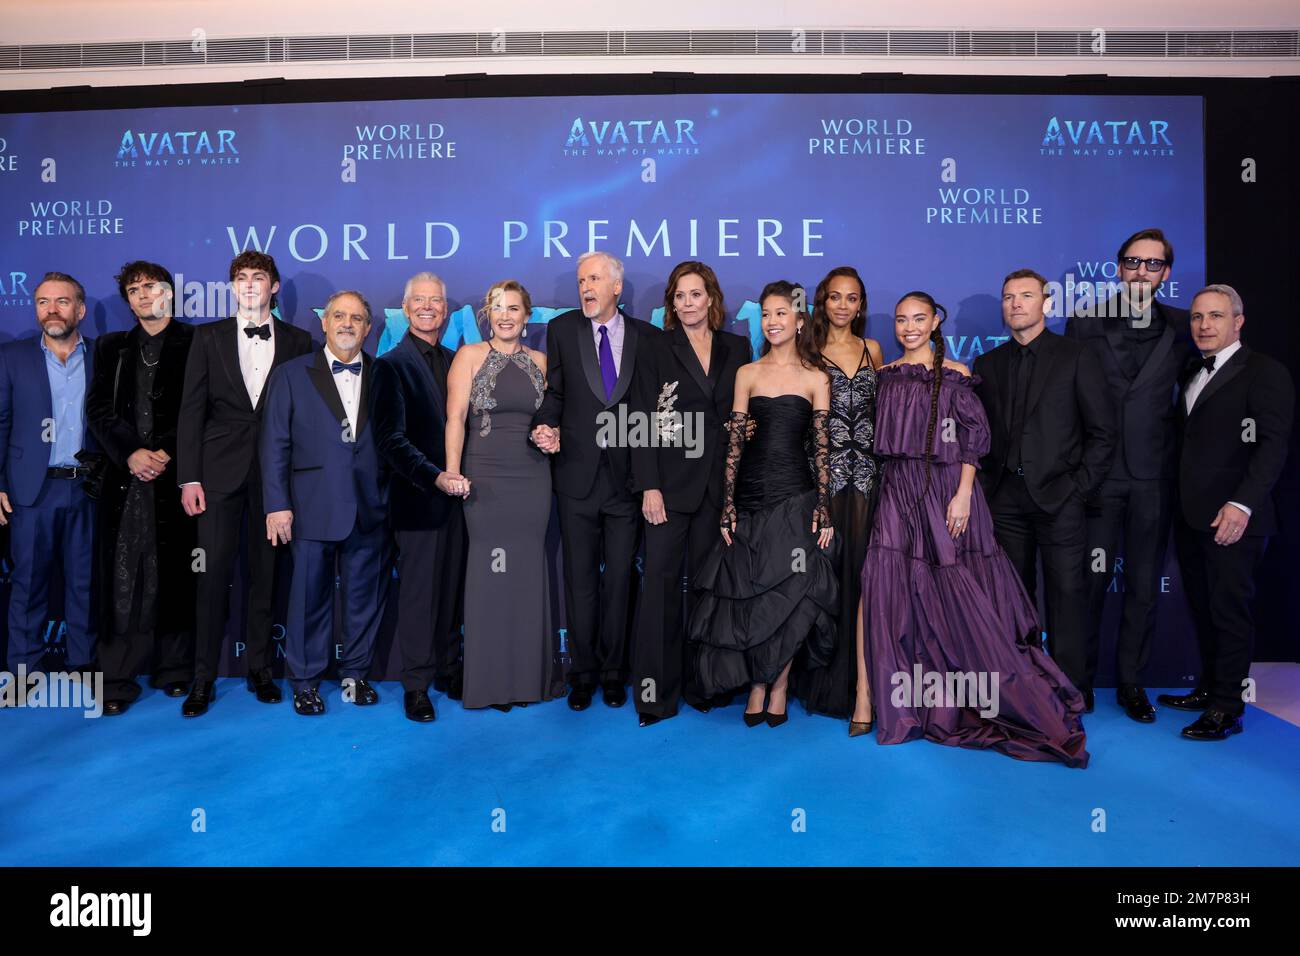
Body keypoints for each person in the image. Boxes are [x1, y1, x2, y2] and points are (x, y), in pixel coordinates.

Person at [861, 291, 1088, 767]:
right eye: (901, 320)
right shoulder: (883, 377)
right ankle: (908, 706)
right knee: (895, 594)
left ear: (935, 321)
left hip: (948, 491)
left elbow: (972, 441)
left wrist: (963, 494)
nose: (908, 327)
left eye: (918, 318)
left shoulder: (957, 375)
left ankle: (982, 696)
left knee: (954, 597)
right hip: (897, 493)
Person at [686, 280, 837, 728]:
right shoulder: (747, 374)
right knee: (751, 593)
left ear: (800, 320)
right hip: (750, 496)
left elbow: (822, 449)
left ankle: (781, 683)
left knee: (792, 593)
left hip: (795, 495)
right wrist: (728, 505)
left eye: (781, 314)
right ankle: (757, 683)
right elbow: (734, 445)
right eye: (766, 314)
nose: (772, 322)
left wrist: (824, 507)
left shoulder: (816, 378)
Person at [177, 250, 314, 717]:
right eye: (241, 278)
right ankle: (203, 677)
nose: (250, 284)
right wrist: (189, 477)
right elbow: (191, 410)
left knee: (266, 576)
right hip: (216, 476)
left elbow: (305, 415)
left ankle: (260, 669)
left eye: (259, 277)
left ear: (274, 287)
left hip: (276, 479)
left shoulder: (299, 340)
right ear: (233, 288)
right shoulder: (208, 336)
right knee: (211, 578)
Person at [1066, 228, 1193, 723]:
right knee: (1090, 582)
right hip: (1097, 479)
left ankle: (1132, 684)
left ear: (1165, 273)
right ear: (1118, 266)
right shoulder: (1082, 324)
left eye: (1153, 264)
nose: (1142, 271)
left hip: (1152, 480)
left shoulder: (1185, 327)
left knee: (1143, 584)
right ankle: (1081, 681)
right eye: (1134, 262)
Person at [973, 269, 1115, 710]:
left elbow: (1103, 432)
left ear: (1046, 304)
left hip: (1060, 497)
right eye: (1008, 296)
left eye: (1026, 295)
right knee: (1013, 599)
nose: (1015, 303)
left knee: (1068, 595)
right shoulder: (988, 364)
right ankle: (1023, 685)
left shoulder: (1076, 356)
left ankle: (1073, 689)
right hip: (1004, 499)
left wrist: (1078, 487)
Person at [1163, 285, 1294, 740]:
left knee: (1229, 613)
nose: (1204, 325)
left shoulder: (1264, 372)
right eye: (1198, 317)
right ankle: (1209, 688)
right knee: (1204, 608)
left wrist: (1242, 504)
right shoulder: (1189, 369)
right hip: (1192, 515)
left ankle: (1226, 708)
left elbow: (1271, 447)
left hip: (1235, 518)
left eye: (1216, 316)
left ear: (1238, 322)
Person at [530, 251, 659, 711]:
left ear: (616, 288)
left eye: (594, 279)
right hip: (576, 479)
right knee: (580, 581)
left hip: (625, 482)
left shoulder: (646, 337)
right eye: (581, 279)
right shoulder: (563, 330)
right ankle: (581, 673)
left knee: (621, 580)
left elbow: (649, 411)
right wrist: (545, 425)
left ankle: (613, 672)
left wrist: (647, 482)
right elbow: (556, 393)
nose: (586, 287)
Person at [629, 261, 750, 727]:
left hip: (718, 491)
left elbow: (743, 417)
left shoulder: (737, 348)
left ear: (711, 299)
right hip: (668, 488)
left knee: (707, 593)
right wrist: (649, 487)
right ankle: (654, 696)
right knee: (658, 589)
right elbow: (641, 420)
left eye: (695, 295)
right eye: (679, 296)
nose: (687, 304)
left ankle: (702, 685)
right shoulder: (655, 348)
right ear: (671, 303)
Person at [261, 290, 390, 716]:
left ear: (369, 328)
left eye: (356, 317)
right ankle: (305, 682)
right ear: (325, 322)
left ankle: (356, 676)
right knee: (308, 600)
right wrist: (277, 504)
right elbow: (275, 443)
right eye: (339, 316)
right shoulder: (291, 374)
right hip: (311, 505)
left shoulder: (383, 374)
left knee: (361, 599)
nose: (348, 324)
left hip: (369, 507)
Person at [86, 261, 196, 715]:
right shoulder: (112, 346)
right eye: (134, 290)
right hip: (123, 478)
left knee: (173, 571)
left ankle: (174, 670)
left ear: (169, 291)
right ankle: (117, 677)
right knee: (123, 573)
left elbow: (200, 407)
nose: (142, 295)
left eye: (150, 287)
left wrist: (166, 453)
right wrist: (130, 452)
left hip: (177, 476)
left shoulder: (196, 342)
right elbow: (98, 409)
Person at [445, 280, 560, 711]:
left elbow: (551, 420)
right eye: (498, 308)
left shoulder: (543, 362)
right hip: (485, 478)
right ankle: (491, 682)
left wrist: (554, 436)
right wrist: (452, 471)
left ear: (527, 315)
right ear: (487, 316)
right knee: (490, 573)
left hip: (532, 479)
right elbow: (455, 419)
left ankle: (528, 680)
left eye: (514, 308)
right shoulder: (469, 357)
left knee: (527, 572)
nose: (506, 315)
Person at [371, 272, 468, 722]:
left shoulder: (458, 361)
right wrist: (436, 477)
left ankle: (450, 669)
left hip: (462, 505)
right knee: (418, 598)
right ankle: (416, 685)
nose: (429, 307)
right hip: (418, 502)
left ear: (445, 310)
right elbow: (390, 441)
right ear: (406, 310)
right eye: (420, 301)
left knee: (452, 593)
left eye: (437, 301)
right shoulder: (390, 364)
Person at [790, 266, 883, 734]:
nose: (844, 305)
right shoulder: (806, 351)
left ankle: (862, 690)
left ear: (861, 305)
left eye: (853, 298)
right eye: (835, 297)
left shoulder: (873, 351)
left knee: (863, 582)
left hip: (867, 482)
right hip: (820, 483)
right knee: (822, 580)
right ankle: (820, 682)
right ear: (822, 302)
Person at [0, 272, 97, 679]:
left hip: (88, 489)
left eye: (61, 301)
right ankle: (23, 673)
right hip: (31, 491)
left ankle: (83, 669)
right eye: (42, 302)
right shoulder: (12, 357)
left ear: (80, 309)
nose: (51, 310)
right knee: (27, 586)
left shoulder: (102, 356)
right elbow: (1, 421)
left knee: (85, 586)